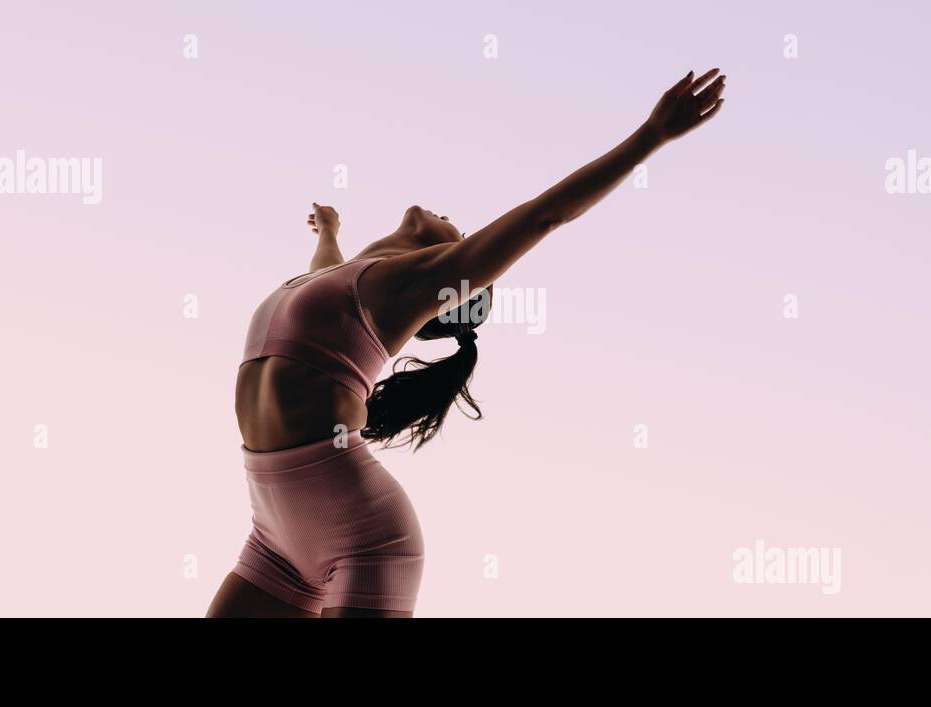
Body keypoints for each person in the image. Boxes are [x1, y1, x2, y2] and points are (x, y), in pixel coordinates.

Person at [206, 68, 727, 618]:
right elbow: (326, 266)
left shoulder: (409, 286)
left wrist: (650, 136)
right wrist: (331, 228)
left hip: (362, 538)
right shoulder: (341, 280)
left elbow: (547, 215)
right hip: (274, 534)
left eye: (461, 233)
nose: (456, 221)